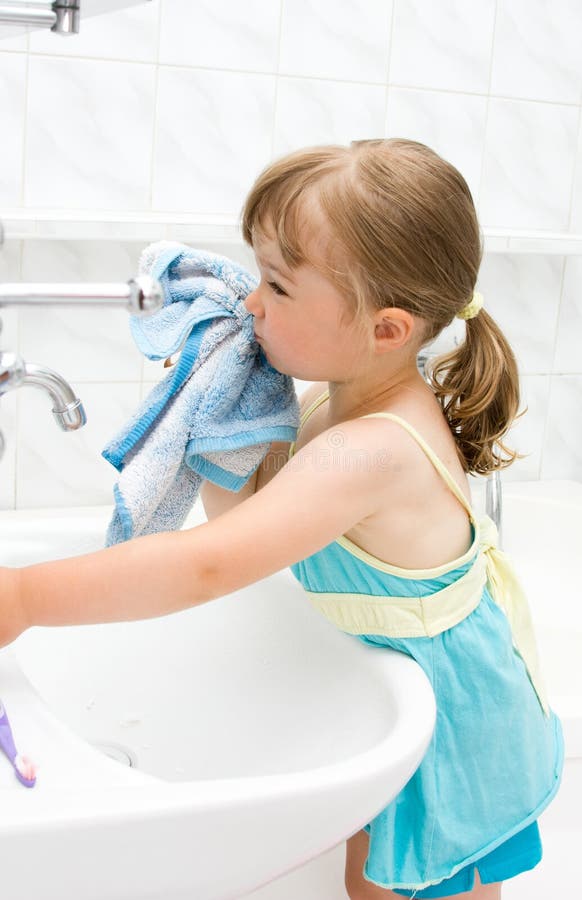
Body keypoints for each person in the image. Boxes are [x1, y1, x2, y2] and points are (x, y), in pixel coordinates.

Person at [0, 139, 563, 899]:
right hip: (399, 673)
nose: (252, 302)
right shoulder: (335, 404)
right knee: (368, 878)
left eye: (279, 286)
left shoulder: (372, 450)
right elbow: (257, 518)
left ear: (386, 329)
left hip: (454, 715)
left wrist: (27, 596)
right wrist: (229, 412)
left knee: (410, 887)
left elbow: (210, 563)